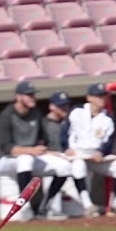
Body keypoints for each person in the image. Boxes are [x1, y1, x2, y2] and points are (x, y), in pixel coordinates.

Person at [0, 81, 73, 219]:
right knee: (26, 159)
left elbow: (41, 140)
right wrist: (31, 150)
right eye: (28, 95)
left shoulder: (35, 113)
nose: (32, 97)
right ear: (18, 96)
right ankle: (25, 206)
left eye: (33, 95)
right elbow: (5, 147)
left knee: (64, 166)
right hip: (5, 160)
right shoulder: (7, 115)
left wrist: (46, 151)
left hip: (30, 157)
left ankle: (45, 206)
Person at [66, 83, 116, 217]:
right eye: (98, 96)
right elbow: (64, 132)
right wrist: (66, 147)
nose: (102, 99)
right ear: (89, 98)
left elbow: (109, 141)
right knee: (78, 166)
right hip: (77, 154)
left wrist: (102, 153)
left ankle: (115, 203)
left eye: (104, 96)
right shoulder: (77, 111)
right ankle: (88, 205)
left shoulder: (107, 118)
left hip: (96, 156)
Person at [36, 91, 76, 219]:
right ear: (52, 107)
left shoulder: (70, 122)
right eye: (61, 106)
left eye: (66, 105)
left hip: (68, 160)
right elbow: (39, 147)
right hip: (49, 161)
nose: (65, 108)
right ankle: (45, 208)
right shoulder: (43, 123)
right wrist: (54, 153)